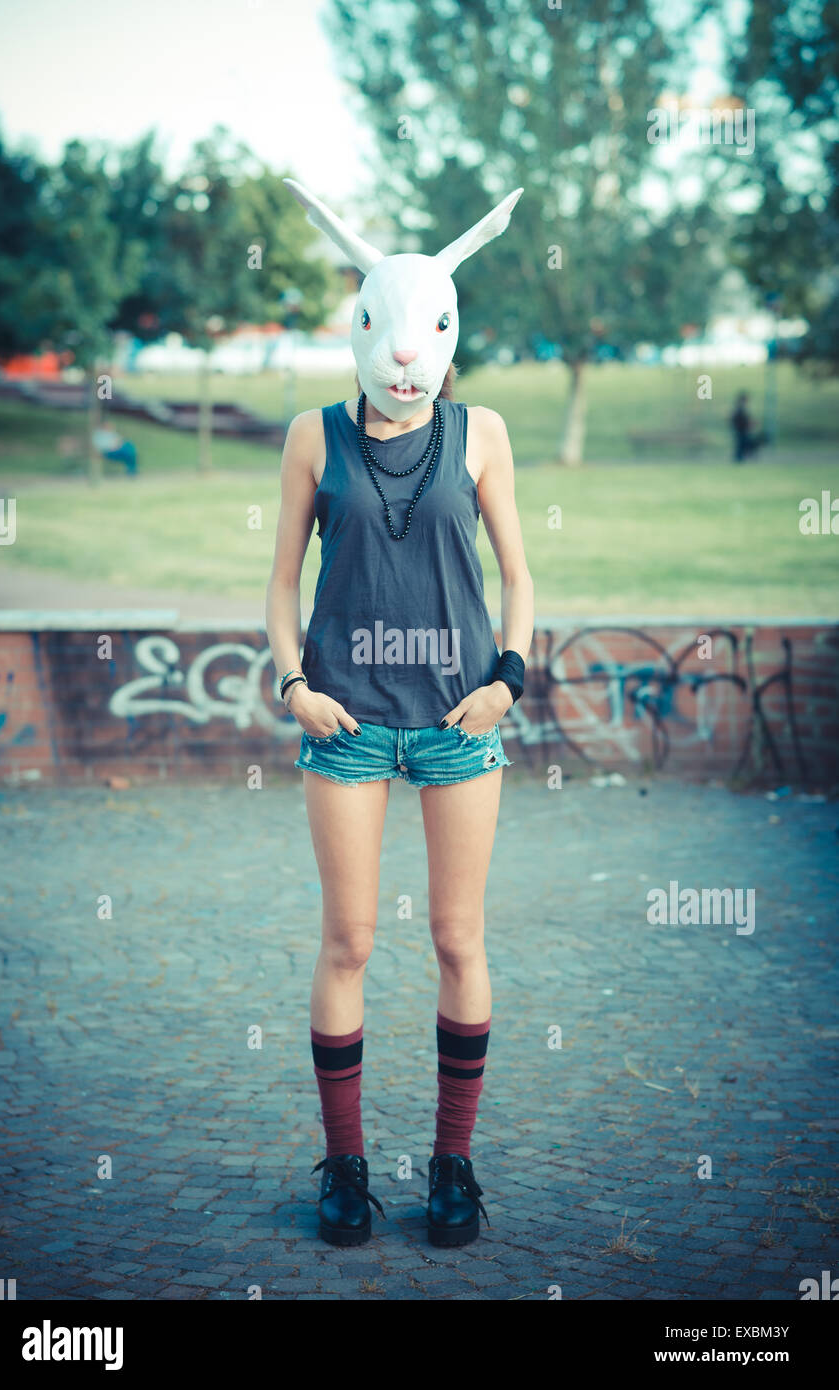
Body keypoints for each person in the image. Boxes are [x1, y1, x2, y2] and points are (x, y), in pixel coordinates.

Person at [265, 179, 533, 1248]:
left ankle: (453, 1167)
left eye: (430, 332)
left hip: (460, 724)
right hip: (346, 723)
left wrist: (509, 676)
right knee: (349, 941)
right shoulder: (310, 436)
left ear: (447, 331)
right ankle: (343, 1168)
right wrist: (294, 685)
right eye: (388, 327)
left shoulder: (483, 434)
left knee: (459, 936)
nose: (408, 357)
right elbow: (280, 583)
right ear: (363, 324)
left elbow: (520, 573)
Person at [729, 392, 763, 463]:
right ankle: (739, 459)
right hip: (741, 431)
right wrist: (750, 424)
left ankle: (740, 459)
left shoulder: (740, 409)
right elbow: (740, 421)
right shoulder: (739, 410)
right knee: (742, 446)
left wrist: (751, 424)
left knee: (742, 447)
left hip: (742, 431)